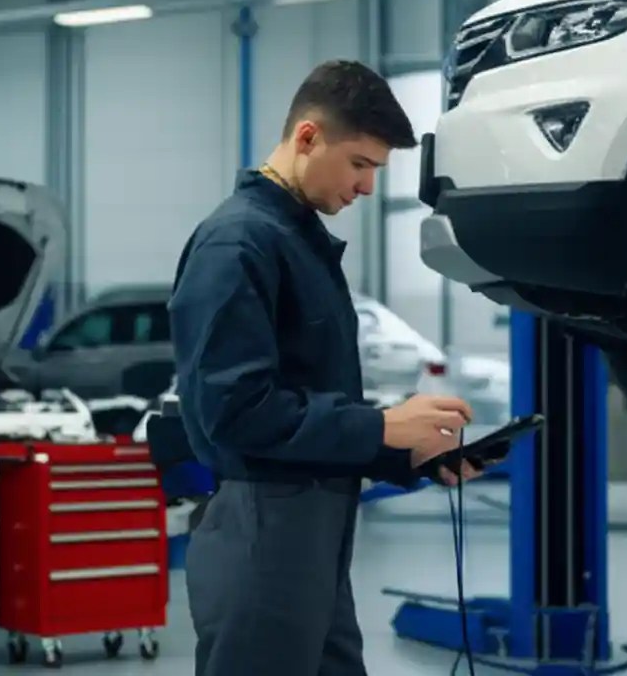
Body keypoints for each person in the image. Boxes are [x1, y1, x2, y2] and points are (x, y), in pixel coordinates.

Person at [168, 59, 481, 676]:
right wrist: (382, 427)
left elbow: (307, 405)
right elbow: (235, 412)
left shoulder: (296, 241)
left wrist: (404, 454)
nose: (367, 188)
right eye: (360, 164)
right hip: (263, 531)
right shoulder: (238, 244)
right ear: (307, 137)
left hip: (314, 532)